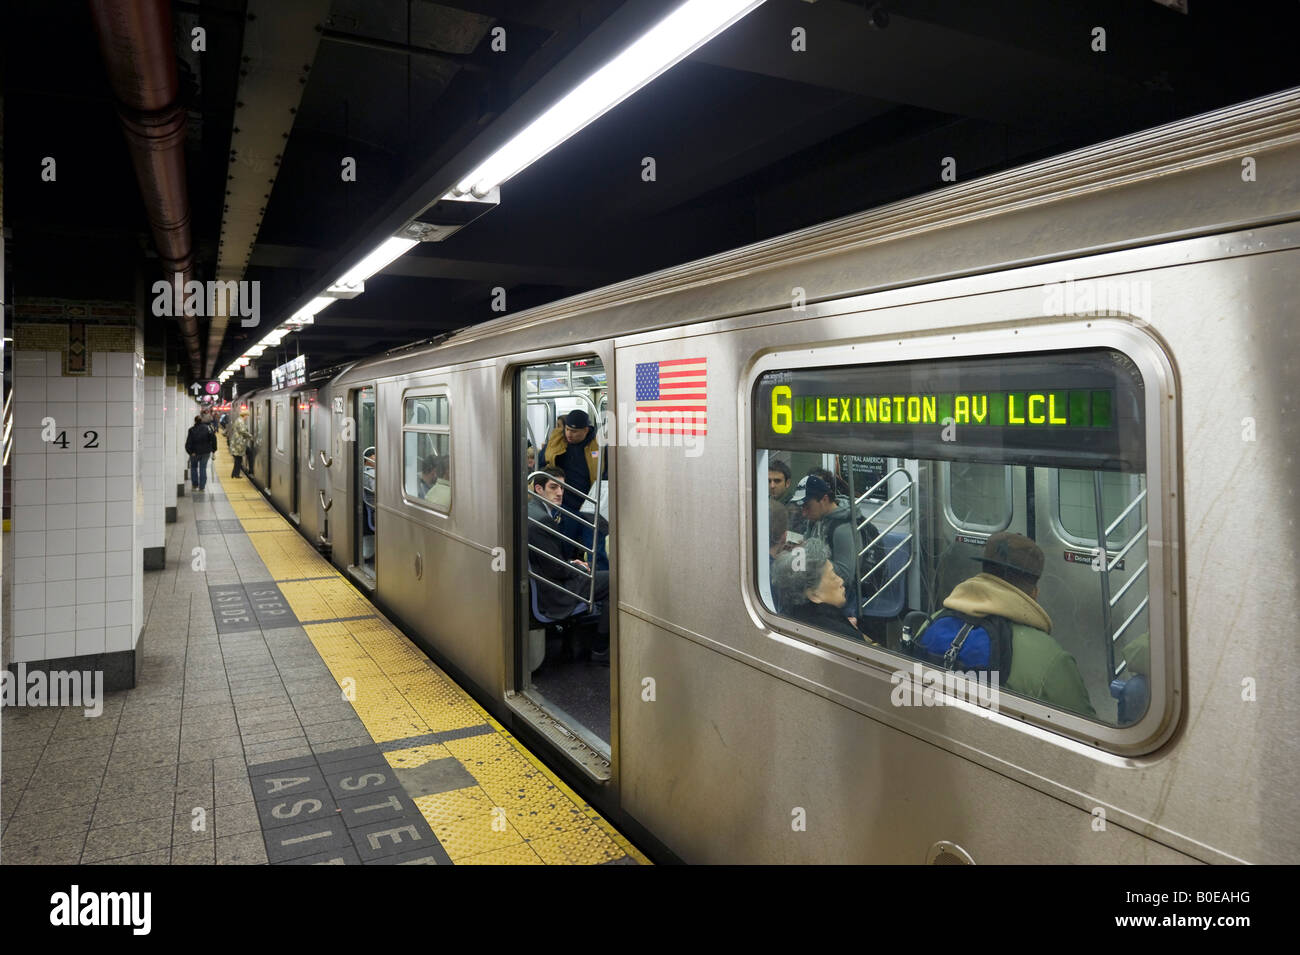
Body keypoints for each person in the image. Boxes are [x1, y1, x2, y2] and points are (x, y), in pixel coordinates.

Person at [937, 531, 1095, 716]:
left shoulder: (934, 622)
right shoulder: (1052, 660)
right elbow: (1085, 730)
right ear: (1034, 593)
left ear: (983, 574)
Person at [528, 467, 609, 664]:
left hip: (545, 579)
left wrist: (571, 562)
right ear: (539, 489)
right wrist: (579, 568)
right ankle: (601, 649)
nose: (559, 493)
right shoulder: (544, 519)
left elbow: (551, 561)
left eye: (562, 488)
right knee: (613, 581)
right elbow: (556, 570)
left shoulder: (532, 510)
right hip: (553, 592)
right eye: (553, 487)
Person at [772, 539, 873, 644]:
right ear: (814, 595)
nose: (841, 580)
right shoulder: (845, 638)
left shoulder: (789, 616)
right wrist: (849, 631)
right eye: (833, 576)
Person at [791, 474, 863, 605]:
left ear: (824, 499)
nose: (804, 513)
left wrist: (813, 557)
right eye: (802, 507)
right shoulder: (814, 519)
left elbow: (845, 576)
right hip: (818, 586)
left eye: (807, 506)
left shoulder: (843, 529)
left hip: (840, 594)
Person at [185, 414, 217, 491]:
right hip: (206, 452)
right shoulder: (208, 429)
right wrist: (214, 450)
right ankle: (202, 487)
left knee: (193, 468)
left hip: (194, 453)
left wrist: (190, 452)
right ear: (201, 421)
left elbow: (188, 443)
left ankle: (195, 485)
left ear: (195, 421)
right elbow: (214, 439)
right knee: (203, 468)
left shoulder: (191, 430)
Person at [229, 408, 253, 478]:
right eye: (247, 416)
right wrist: (251, 436)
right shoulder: (240, 421)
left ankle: (235, 474)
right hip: (239, 443)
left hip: (238, 442)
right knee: (240, 458)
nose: (247, 417)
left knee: (238, 459)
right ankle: (236, 474)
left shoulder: (239, 420)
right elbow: (243, 431)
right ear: (244, 415)